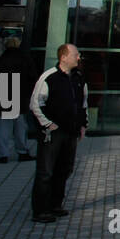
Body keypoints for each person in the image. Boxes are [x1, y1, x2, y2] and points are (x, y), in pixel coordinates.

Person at [29, 44, 88, 223]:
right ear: (63, 57)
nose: (78, 58)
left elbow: (83, 102)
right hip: (53, 133)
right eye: (76, 55)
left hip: (71, 132)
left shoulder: (78, 78)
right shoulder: (49, 78)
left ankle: (55, 204)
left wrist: (83, 125)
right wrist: (48, 124)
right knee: (46, 171)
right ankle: (40, 210)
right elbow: (35, 104)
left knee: (64, 169)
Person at [0, 37, 37, 163]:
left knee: (2, 129)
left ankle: (3, 154)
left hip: (3, 98)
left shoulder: (0, 61)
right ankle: (22, 151)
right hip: (20, 98)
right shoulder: (25, 60)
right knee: (20, 127)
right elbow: (32, 79)